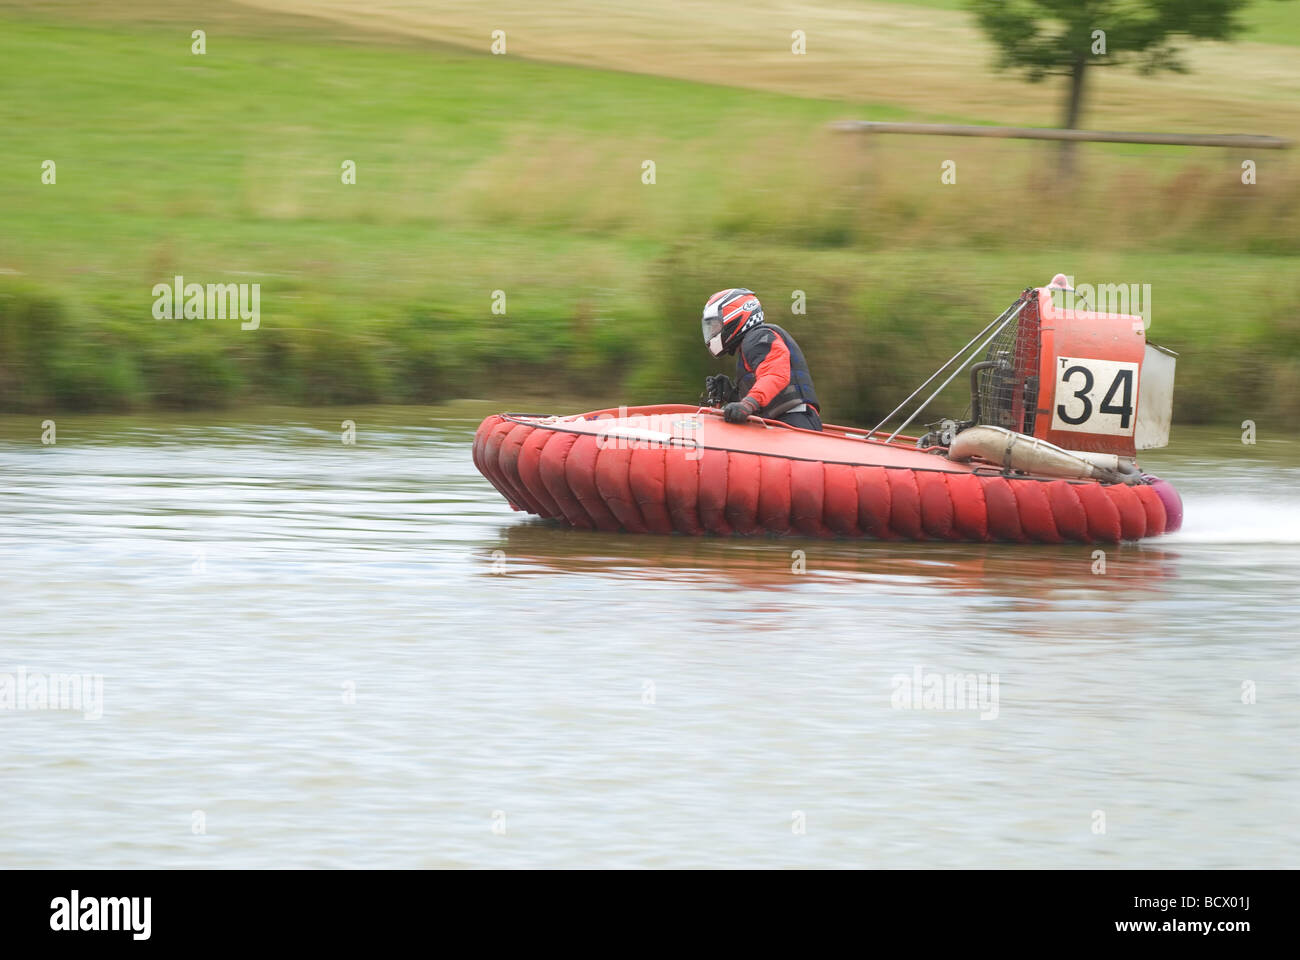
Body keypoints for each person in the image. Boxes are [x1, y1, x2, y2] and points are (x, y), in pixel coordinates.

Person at [700, 287, 822, 431]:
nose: (712, 332)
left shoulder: (758, 337)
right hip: (780, 423)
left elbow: (776, 375)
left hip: (795, 420)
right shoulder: (749, 346)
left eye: (715, 326)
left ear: (734, 317)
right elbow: (763, 398)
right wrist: (732, 396)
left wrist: (747, 405)